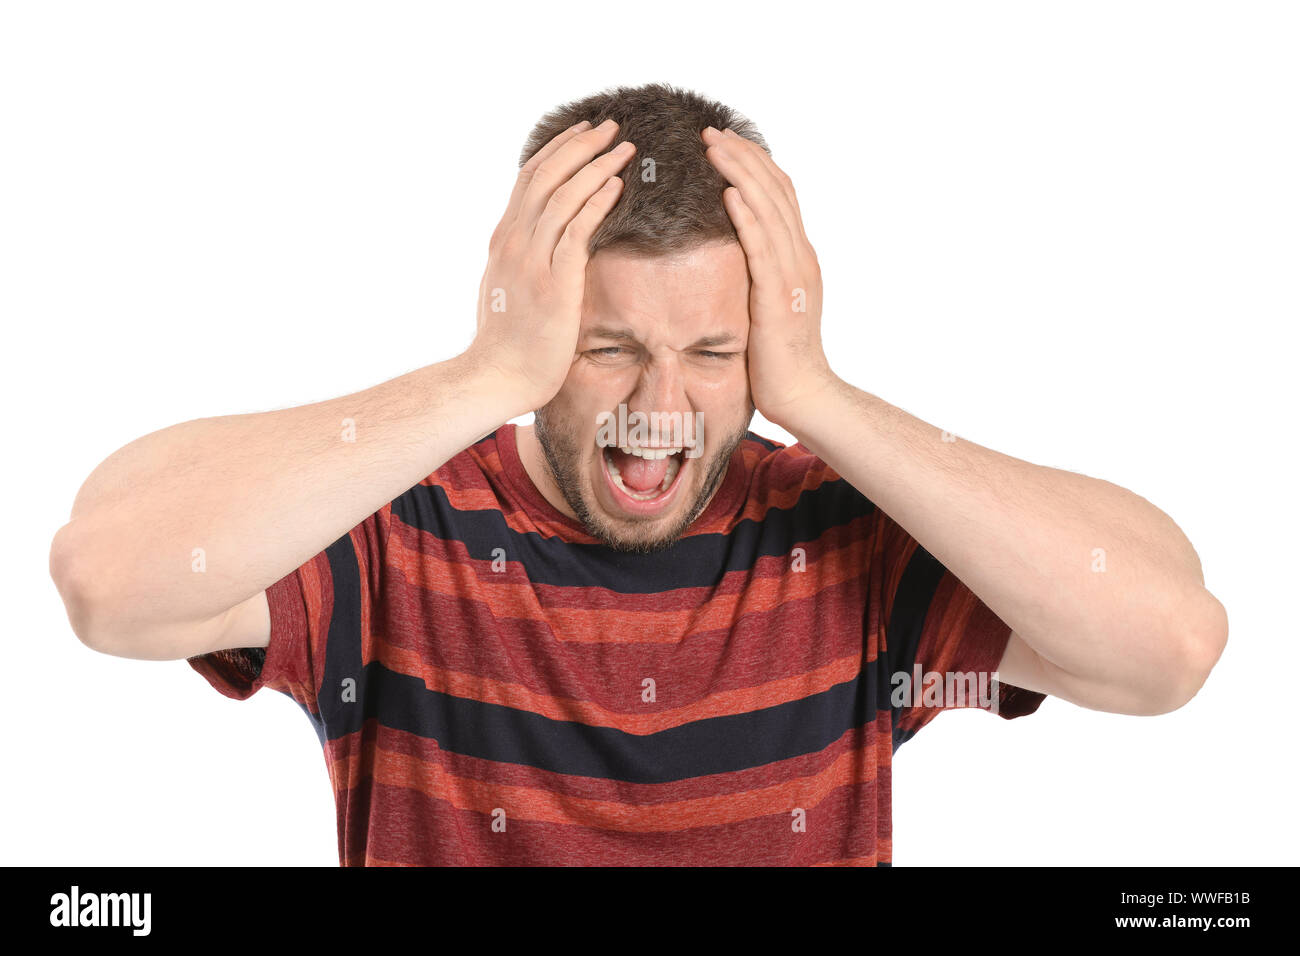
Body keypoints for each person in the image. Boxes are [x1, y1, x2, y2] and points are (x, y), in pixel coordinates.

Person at [48, 82, 1228, 865]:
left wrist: (819, 397)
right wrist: (477, 375)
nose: (660, 411)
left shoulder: (838, 529)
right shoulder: (398, 525)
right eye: (607, 349)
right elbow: (110, 578)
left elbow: (1164, 645)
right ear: (538, 333)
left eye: (712, 352)